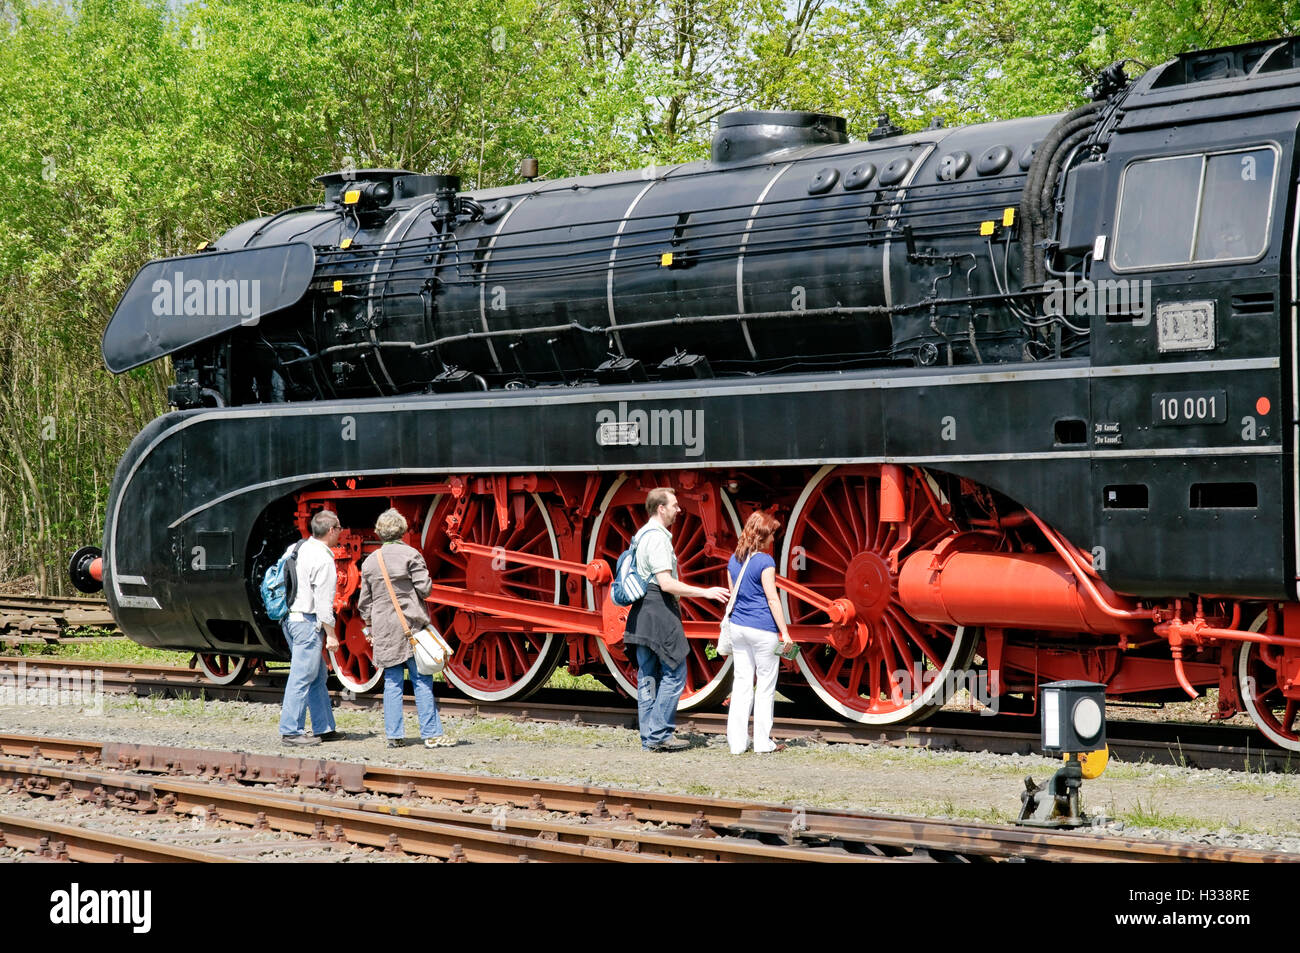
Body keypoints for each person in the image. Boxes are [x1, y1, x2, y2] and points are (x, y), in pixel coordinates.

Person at [622, 487, 729, 752]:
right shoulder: (658, 539)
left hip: (640, 613)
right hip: (658, 609)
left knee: (648, 675)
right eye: (674, 505)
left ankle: (649, 738)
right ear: (661, 508)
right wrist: (705, 591)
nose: (678, 510)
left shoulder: (640, 535)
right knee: (675, 671)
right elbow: (666, 583)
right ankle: (659, 734)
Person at [357, 507, 456, 749]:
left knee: (392, 682)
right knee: (422, 679)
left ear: (379, 533)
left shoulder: (370, 562)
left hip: (384, 628)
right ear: (403, 530)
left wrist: (369, 627)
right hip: (411, 626)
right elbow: (425, 589)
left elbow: (364, 603)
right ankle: (431, 734)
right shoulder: (411, 555)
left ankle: (394, 735)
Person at [725, 510, 794, 754]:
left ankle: (737, 742)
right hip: (762, 629)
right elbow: (772, 599)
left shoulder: (733, 561)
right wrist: (784, 632)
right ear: (762, 537)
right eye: (772, 535)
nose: (774, 539)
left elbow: (734, 595)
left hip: (738, 628)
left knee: (742, 682)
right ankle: (762, 743)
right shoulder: (765, 562)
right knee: (765, 685)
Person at [278, 509, 342, 746]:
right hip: (307, 623)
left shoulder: (298, 547)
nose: (341, 534)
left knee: (316, 675)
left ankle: (323, 727)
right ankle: (290, 731)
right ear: (332, 530)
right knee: (302, 676)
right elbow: (324, 603)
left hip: (291, 620)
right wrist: (332, 635)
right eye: (339, 529)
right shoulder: (324, 559)